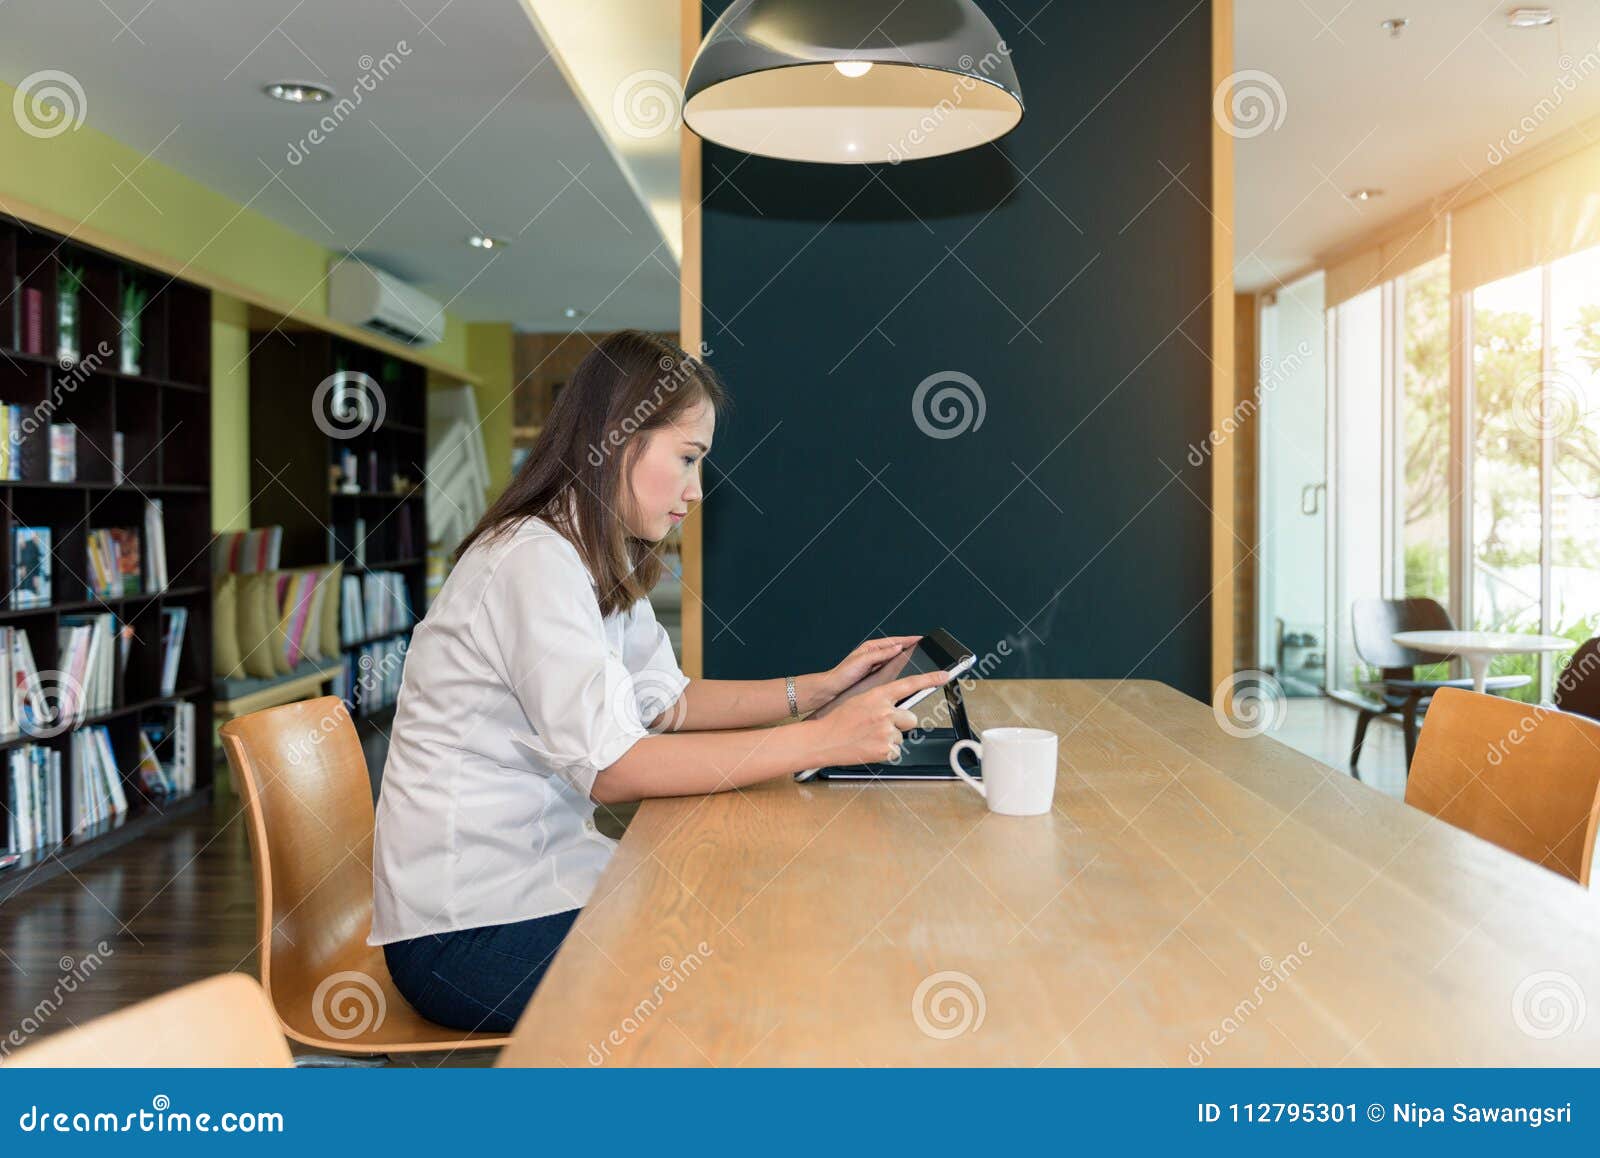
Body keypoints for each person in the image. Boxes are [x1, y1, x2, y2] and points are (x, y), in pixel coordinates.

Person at [368, 330, 948, 1032]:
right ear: (619, 438)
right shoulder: (533, 562)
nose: (696, 491)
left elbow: (666, 703)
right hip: (465, 935)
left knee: (746, 912)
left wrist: (818, 691)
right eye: (687, 458)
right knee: (741, 964)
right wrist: (819, 744)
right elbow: (611, 768)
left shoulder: (593, 549)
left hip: (539, 884)